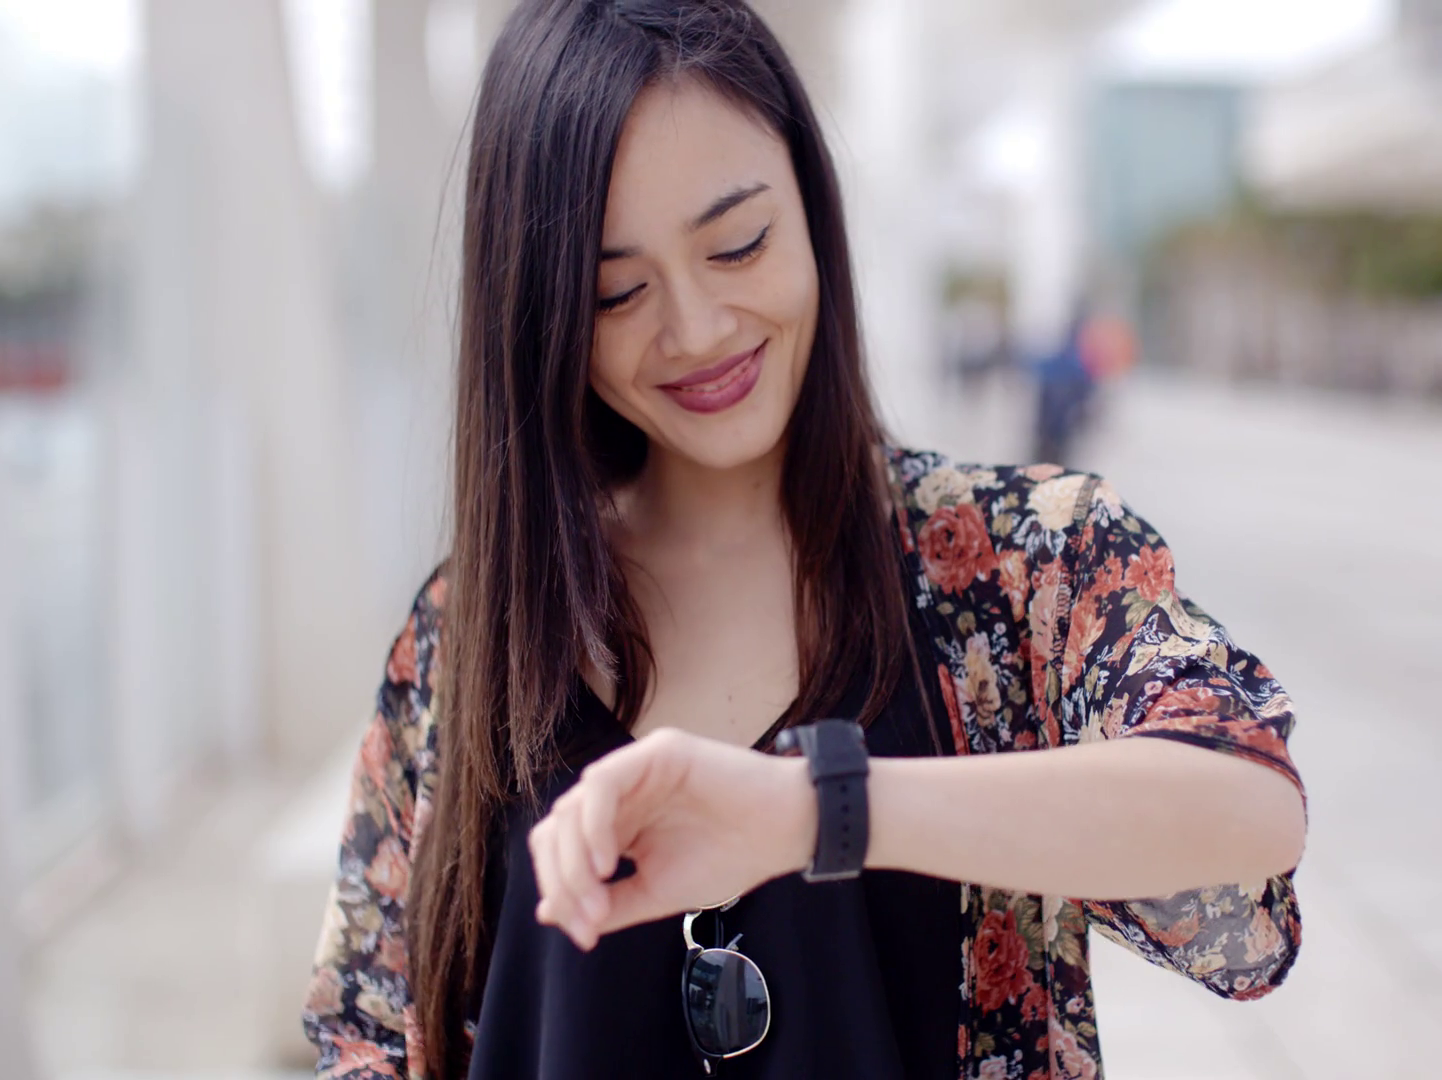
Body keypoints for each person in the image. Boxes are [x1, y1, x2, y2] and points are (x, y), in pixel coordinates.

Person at [302, 2, 1306, 1078]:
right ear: (541, 315)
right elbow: (366, 1028)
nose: (695, 330)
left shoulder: (1018, 565)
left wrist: (818, 811)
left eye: (739, 243)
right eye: (617, 291)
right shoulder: (470, 636)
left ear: (813, 207)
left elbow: (1243, 804)